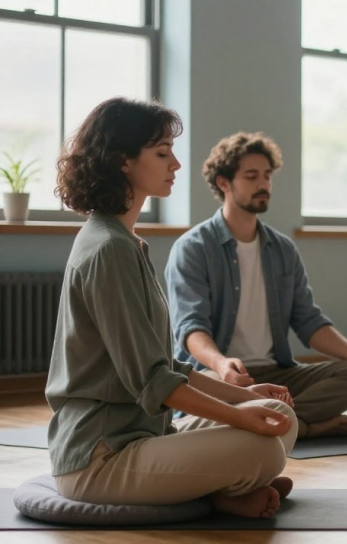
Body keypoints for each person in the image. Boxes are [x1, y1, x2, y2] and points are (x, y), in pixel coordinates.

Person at [47, 97, 297, 519]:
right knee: (262, 445)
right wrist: (241, 419)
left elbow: (167, 368)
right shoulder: (109, 250)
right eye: (163, 153)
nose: (176, 164)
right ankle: (226, 488)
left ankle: (224, 487)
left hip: (145, 436)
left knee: (277, 415)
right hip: (99, 459)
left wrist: (244, 397)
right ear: (123, 161)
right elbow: (153, 383)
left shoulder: (125, 242)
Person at [165, 132, 347, 439]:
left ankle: (273, 423)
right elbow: (190, 328)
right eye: (252, 176)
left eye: (267, 176)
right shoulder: (193, 248)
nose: (263, 184)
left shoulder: (282, 249)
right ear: (224, 183)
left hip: (278, 374)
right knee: (207, 391)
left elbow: (309, 321)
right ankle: (300, 425)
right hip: (221, 375)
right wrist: (222, 363)